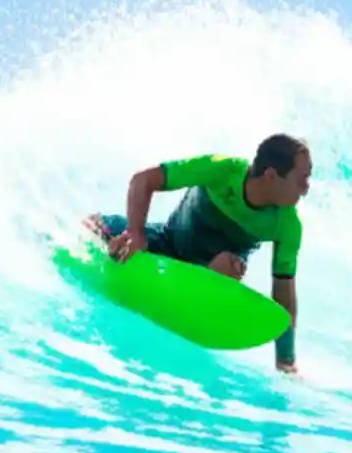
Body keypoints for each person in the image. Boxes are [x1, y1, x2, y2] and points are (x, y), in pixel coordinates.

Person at [86, 133, 312, 374]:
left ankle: (204, 277)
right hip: (167, 242)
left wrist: (285, 360)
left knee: (227, 265)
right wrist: (135, 232)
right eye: (301, 179)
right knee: (96, 224)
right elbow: (143, 180)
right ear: (271, 176)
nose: (306, 188)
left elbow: (284, 293)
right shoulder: (221, 170)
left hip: (212, 276)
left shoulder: (287, 225)